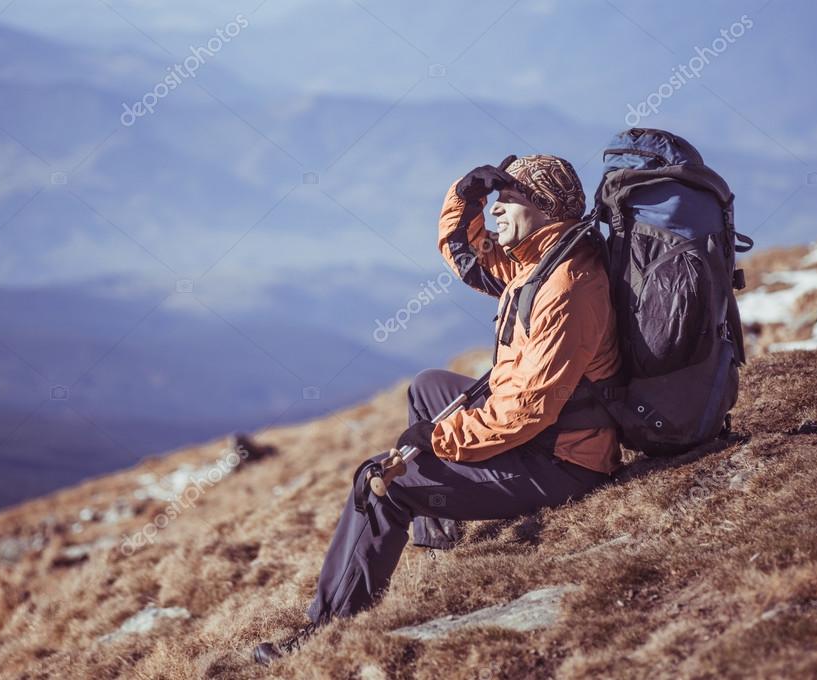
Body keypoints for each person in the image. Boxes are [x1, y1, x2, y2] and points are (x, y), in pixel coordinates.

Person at [253, 154, 622, 665]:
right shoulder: (538, 262)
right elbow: (464, 253)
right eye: (494, 202)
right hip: (545, 438)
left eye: (507, 200)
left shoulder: (567, 286)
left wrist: (438, 440)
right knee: (428, 387)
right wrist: (466, 195)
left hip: (562, 463)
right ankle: (440, 544)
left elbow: (526, 411)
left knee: (380, 483)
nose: (495, 212)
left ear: (544, 207)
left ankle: (328, 631)